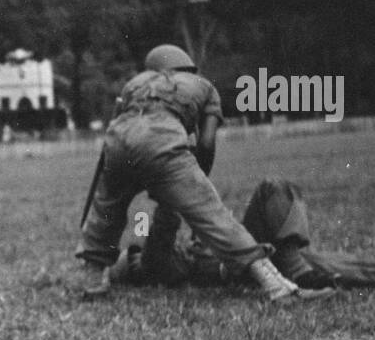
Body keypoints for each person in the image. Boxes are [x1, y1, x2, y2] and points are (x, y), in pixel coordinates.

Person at [75, 45, 324, 302]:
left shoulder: (134, 84)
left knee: (106, 211)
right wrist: (196, 178)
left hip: (117, 143)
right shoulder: (203, 86)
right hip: (162, 142)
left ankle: (93, 281)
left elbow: (116, 125)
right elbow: (206, 143)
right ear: (187, 67)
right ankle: (277, 286)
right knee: (212, 215)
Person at [108, 177, 375, 290]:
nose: (140, 252)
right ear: (139, 269)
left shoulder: (184, 251)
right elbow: (164, 225)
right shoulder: (160, 266)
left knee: (276, 189)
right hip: (250, 267)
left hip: (265, 255)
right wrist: (171, 174)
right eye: (135, 257)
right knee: (355, 269)